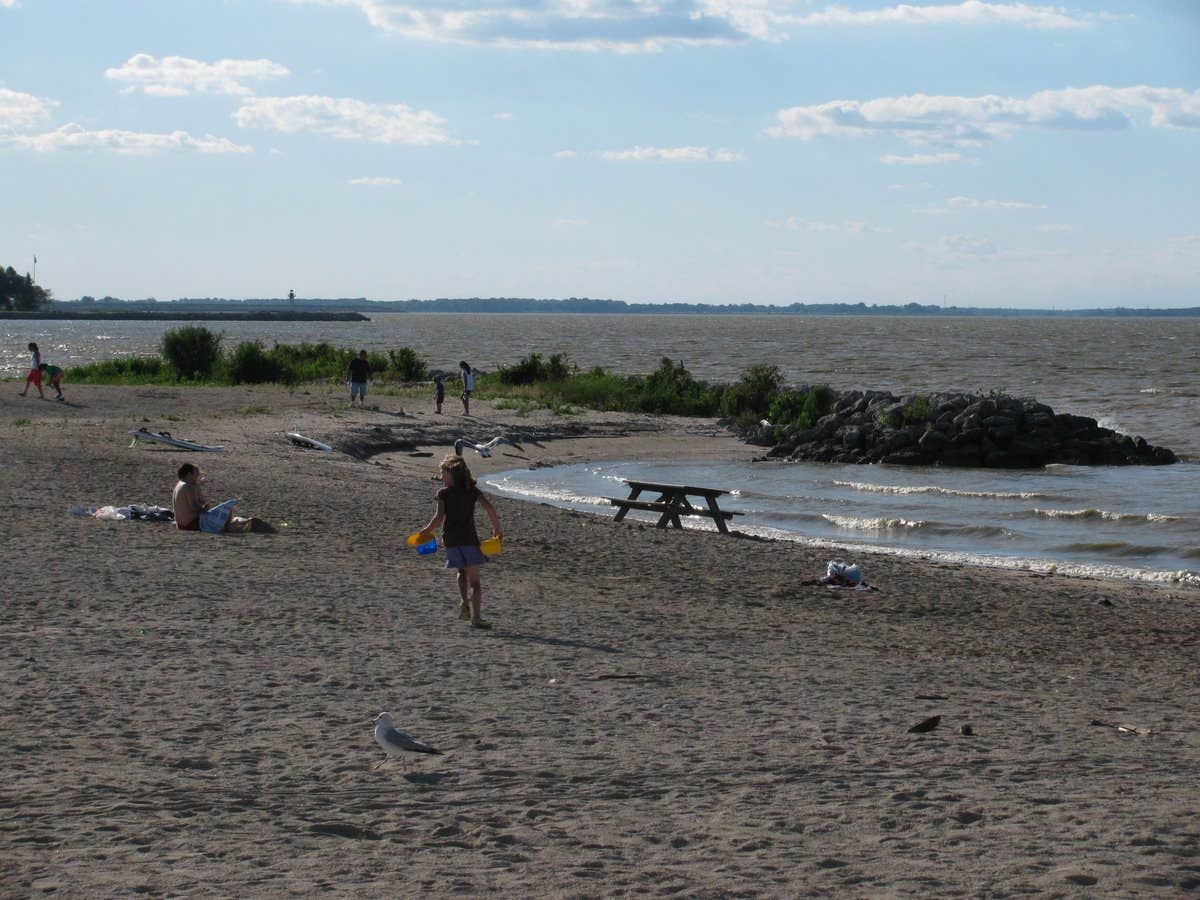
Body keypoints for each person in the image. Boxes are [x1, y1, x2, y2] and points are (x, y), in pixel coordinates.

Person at [418, 455, 501, 629]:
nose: (442, 477)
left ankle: (464, 602)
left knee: (460, 572)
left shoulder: (443, 493)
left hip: (451, 539)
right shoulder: (472, 491)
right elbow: (489, 508)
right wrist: (497, 529)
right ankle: (476, 618)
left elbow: (439, 518)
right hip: (469, 540)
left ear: (452, 475)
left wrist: (426, 531)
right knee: (475, 582)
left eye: (443, 473)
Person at [171, 463, 274, 534]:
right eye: (196, 475)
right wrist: (205, 507)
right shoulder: (187, 487)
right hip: (192, 524)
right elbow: (194, 507)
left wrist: (198, 491)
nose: (197, 478)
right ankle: (231, 527)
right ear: (189, 474)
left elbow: (198, 503)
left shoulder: (180, 485)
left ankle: (236, 524)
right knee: (227, 509)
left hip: (182, 524)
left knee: (223, 513)